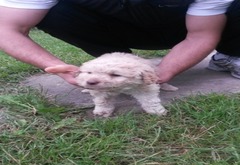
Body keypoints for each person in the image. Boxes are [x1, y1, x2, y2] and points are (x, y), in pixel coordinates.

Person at [0, 0, 239, 86]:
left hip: (181, 28)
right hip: (115, 29)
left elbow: (200, 35)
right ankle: (114, 66)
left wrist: (163, 72)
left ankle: (229, 54)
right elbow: (7, 28)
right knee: (56, 11)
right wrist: (54, 66)